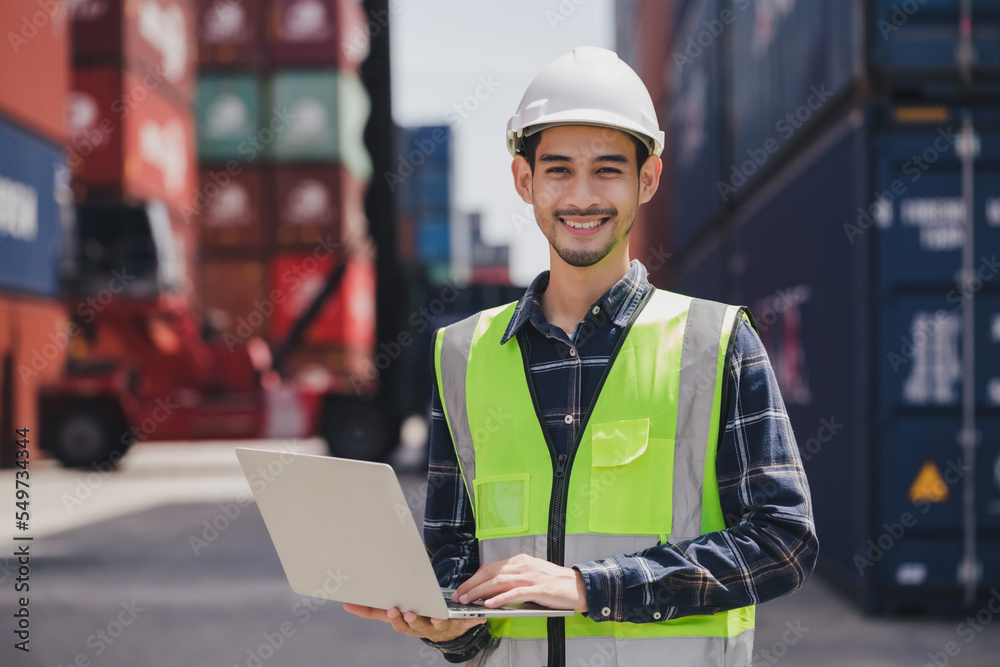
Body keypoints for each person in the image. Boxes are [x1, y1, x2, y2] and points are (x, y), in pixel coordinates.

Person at [345, 46, 818, 667]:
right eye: (560, 170)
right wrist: (446, 626)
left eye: (608, 170)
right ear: (525, 180)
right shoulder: (460, 355)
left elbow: (782, 541)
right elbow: (455, 561)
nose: (583, 197)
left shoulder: (716, 343)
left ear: (646, 180)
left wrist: (590, 587)